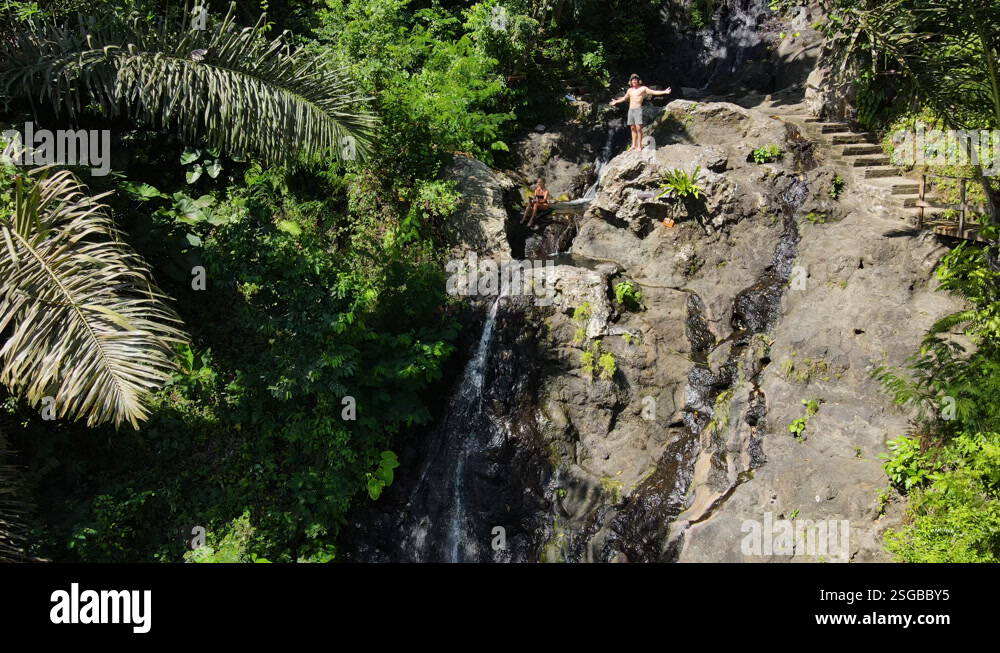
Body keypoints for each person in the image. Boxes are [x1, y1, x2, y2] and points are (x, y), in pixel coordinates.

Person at [609, 74, 672, 152]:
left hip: (637, 110)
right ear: (630, 82)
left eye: (635, 80)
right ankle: (633, 145)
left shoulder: (643, 88)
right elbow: (624, 98)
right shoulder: (630, 90)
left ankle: (639, 145)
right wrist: (616, 101)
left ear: (638, 81)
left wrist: (665, 92)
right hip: (630, 110)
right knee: (632, 128)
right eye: (632, 80)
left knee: (638, 128)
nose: (634, 81)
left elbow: (653, 92)